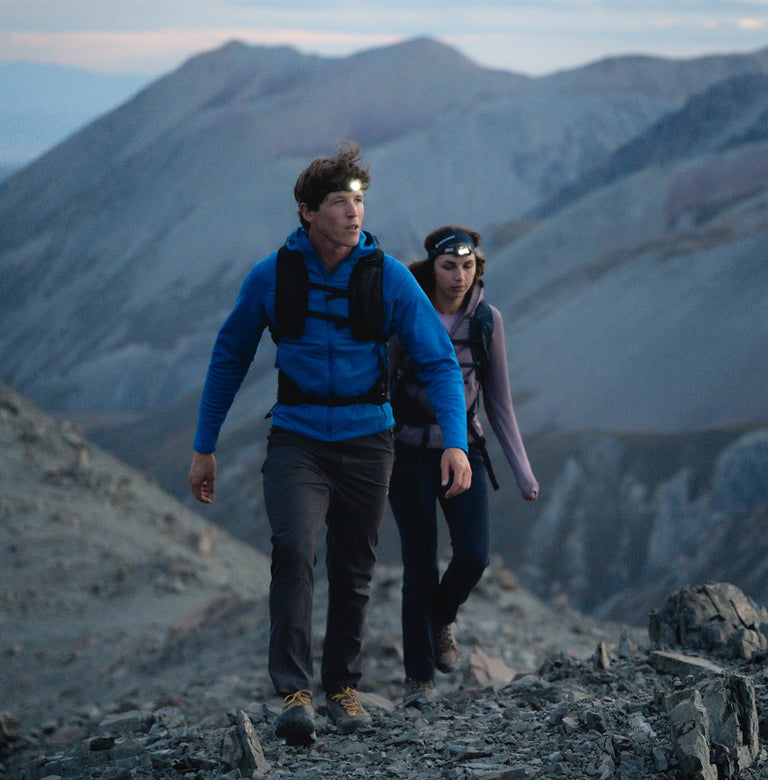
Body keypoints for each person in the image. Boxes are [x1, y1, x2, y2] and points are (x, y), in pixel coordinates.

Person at [188, 144, 472, 745]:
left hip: (370, 440)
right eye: (339, 201)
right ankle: (294, 694)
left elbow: (440, 360)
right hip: (297, 440)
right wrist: (204, 445)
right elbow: (229, 356)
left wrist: (456, 442)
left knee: (354, 567)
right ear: (306, 211)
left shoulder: (389, 276)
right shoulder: (271, 276)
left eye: (359, 201)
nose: (353, 213)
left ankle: (342, 688)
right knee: (294, 549)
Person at [388, 225, 539, 705]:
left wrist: (523, 471)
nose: (459, 276)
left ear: (479, 268)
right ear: (432, 268)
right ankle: (418, 681)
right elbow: (381, 385)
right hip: (406, 451)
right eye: (449, 266)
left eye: (468, 266)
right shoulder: (406, 314)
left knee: (474, 556)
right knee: (419, 562)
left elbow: (499, 404)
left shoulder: (486, 322)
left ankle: (441, 617)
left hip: (463, 450)